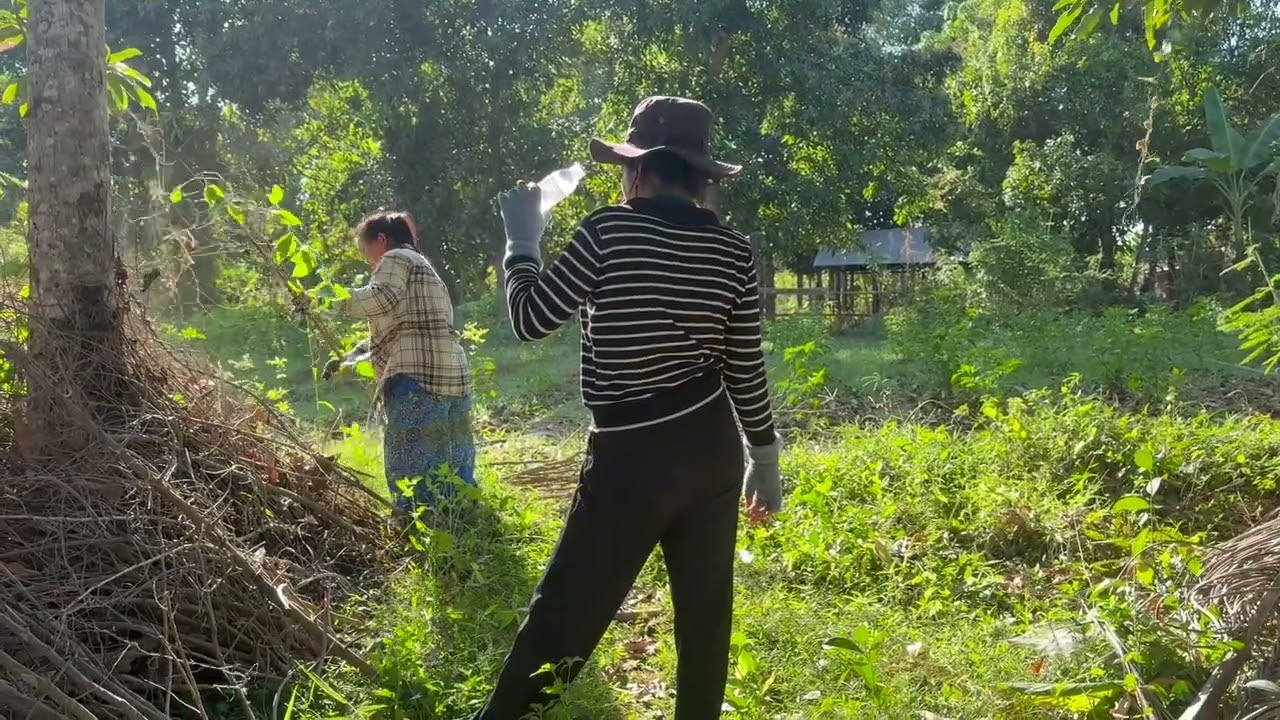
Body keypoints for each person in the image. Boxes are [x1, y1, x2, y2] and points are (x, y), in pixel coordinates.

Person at [480, 96, 783, 719]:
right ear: (700, 175)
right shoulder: (734, 250)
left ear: (637, 169)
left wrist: (520, 242)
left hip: (632, 457)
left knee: (567, 609)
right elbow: (744, 367)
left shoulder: (608, 230)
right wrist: (766, 455)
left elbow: (532, 318)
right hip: (711, 450)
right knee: (705, 619)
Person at [325, 210, 476, 513]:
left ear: (381, 239)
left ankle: (417, 526)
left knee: (411, 461)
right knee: (453, 458)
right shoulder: (426, 269)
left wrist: (329, 302)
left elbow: (381, 298)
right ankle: (462, 519)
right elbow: (400, 329)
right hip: (453, 377)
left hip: (417, 377)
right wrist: (349, 357)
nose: (368, 260)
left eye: (365, 250)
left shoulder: (395, 258)